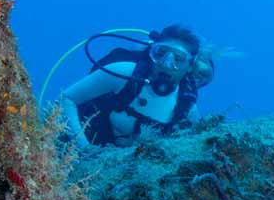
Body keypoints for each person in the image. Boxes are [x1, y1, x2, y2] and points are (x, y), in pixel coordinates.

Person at [62, 24, 206, 148]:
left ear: (190, 66)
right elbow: (66, 99)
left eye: (178, 59)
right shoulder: (122, 73)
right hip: (84, 152)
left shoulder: (186, 107)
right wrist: (83, 149)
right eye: (160, 53)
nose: (166, 64)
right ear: (151, 52)